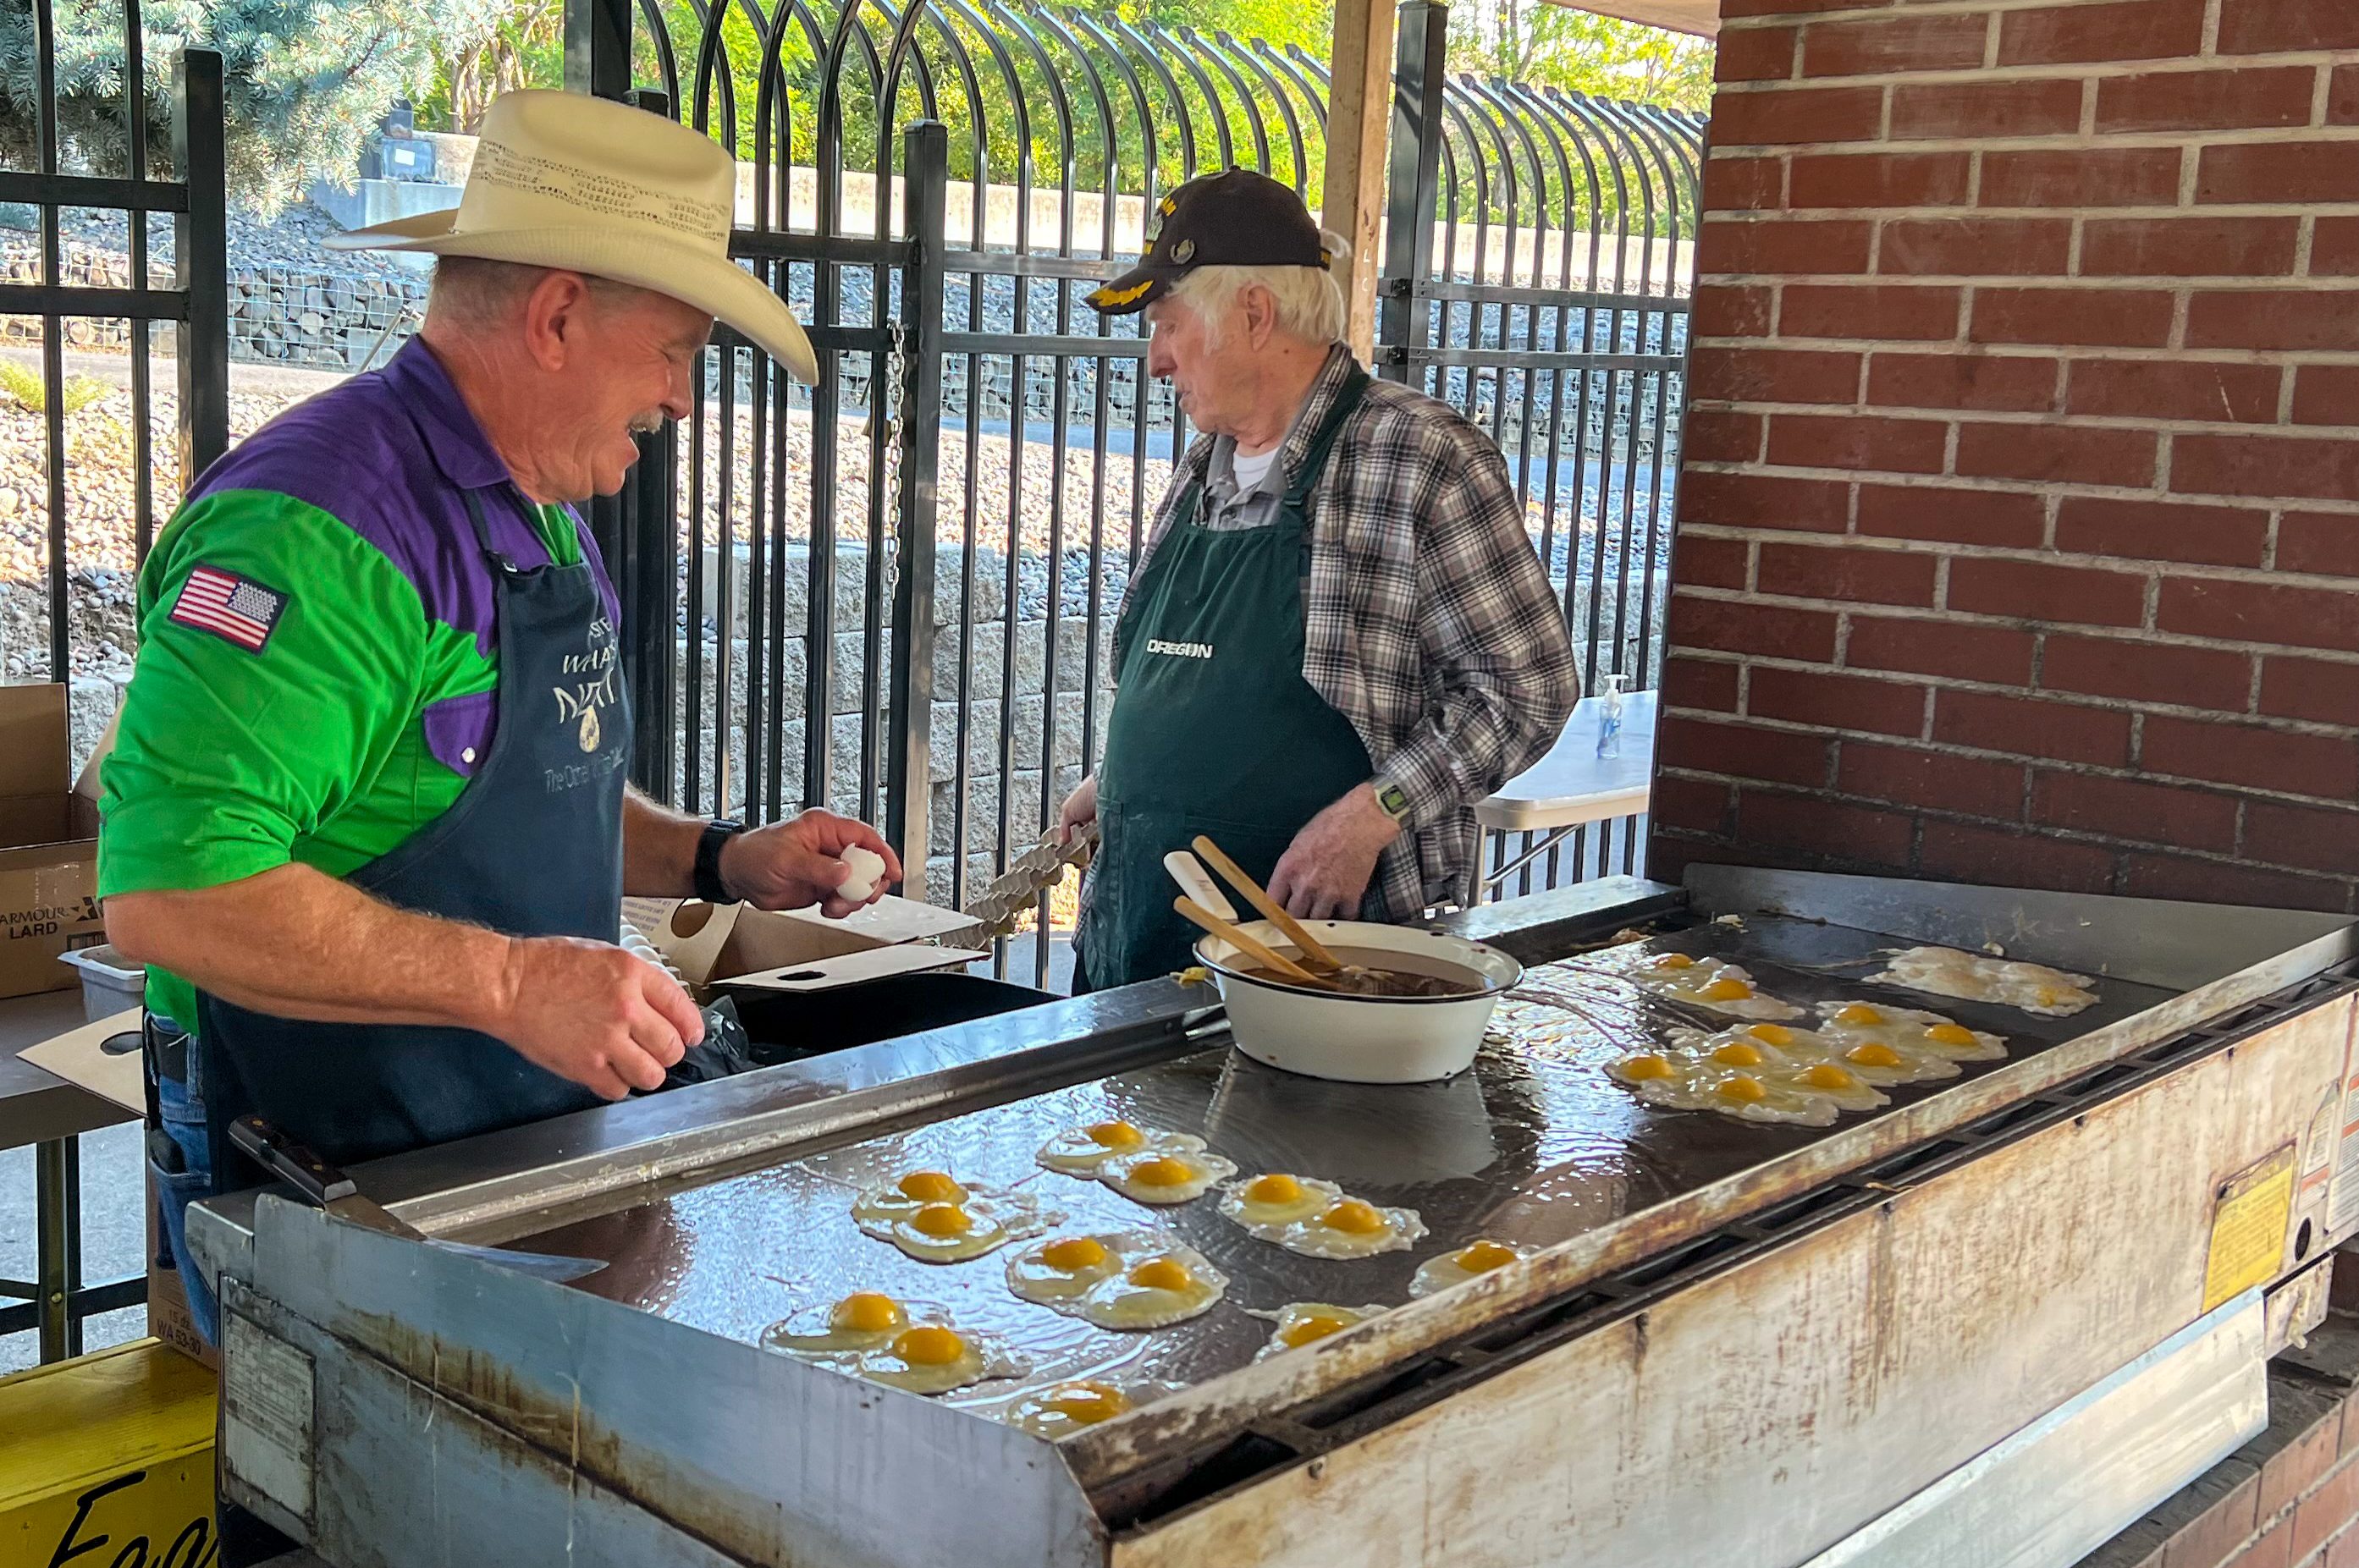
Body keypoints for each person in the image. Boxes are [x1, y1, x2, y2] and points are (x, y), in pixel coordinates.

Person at [95, 90, 901, 1351]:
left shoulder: (538, 507)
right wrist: (517, 980)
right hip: (326, 1156)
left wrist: (719, 857)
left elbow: (518, 782)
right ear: (560, 315)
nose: (684, 401)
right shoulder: (315, 529)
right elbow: (174, 894)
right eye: (677, 351)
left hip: (503, 1135)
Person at [1061, 169, 1577, 990]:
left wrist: (1376, 813)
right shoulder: (1203, 468)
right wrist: (1121, 778)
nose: (1155, 361)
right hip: (1140, 941)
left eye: (1166, 325)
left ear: (1254, 315)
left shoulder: (1421, 459)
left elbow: (1527, 689)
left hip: (1325, 968)